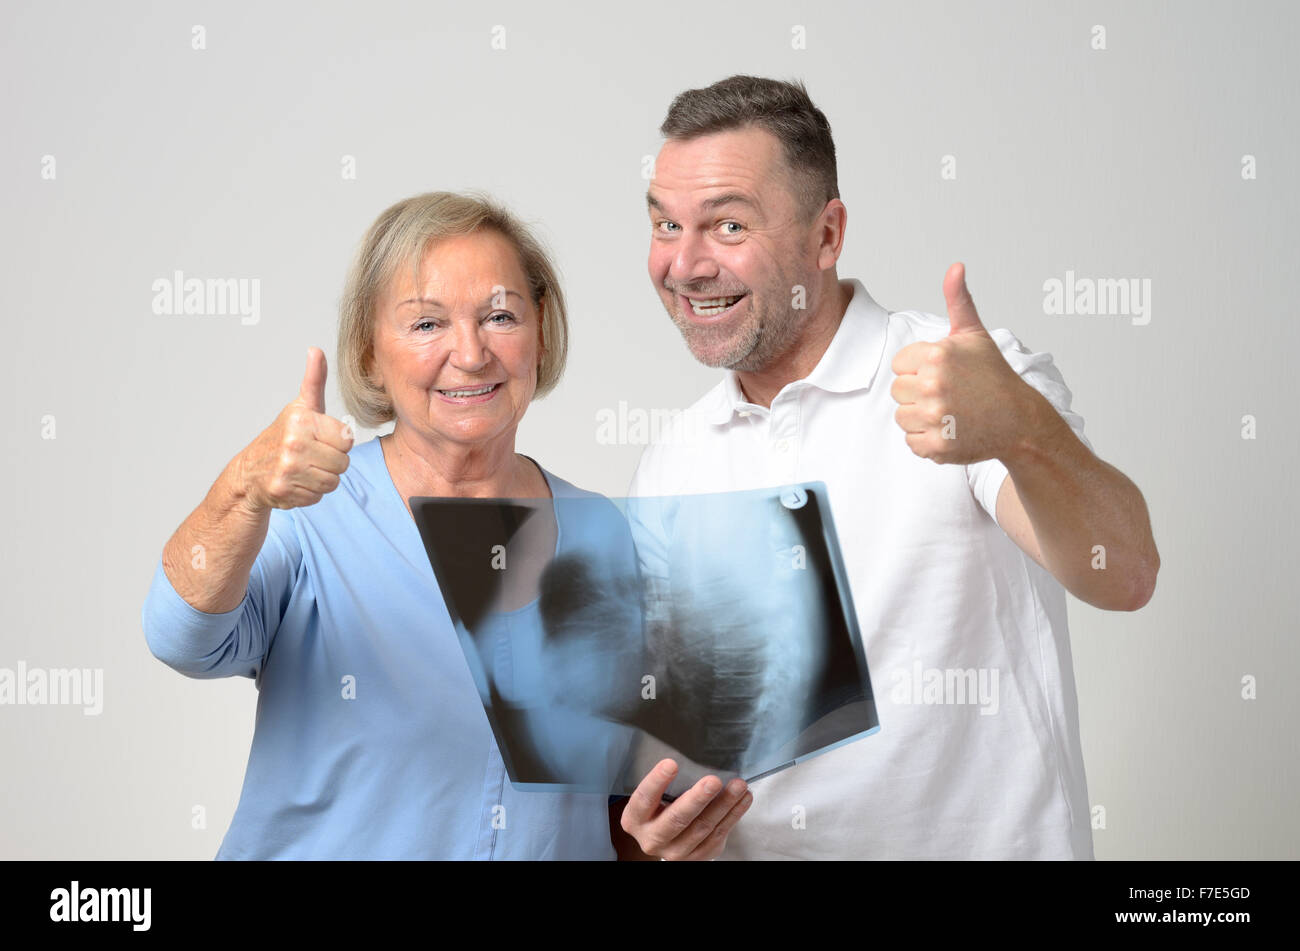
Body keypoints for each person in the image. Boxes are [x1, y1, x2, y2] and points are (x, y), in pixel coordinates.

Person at [626, 75, 1161, 859]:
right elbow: (689, 729)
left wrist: (1021, 428)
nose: (684, 263)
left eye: (727, 225)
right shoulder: (671, 458)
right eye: (666, 224)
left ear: (827, 235)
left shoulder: (965, 381)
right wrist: (656, 831)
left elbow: (1127, 573)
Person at [141, 191, 751, 860]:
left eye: (499, 316)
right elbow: (181, 636)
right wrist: (243, 489)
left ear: (540, 332)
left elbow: (605, 809)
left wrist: (661, 844)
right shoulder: (310, 512)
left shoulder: (600, 531)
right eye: (427, 324)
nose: (470, 353)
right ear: (371, 352)